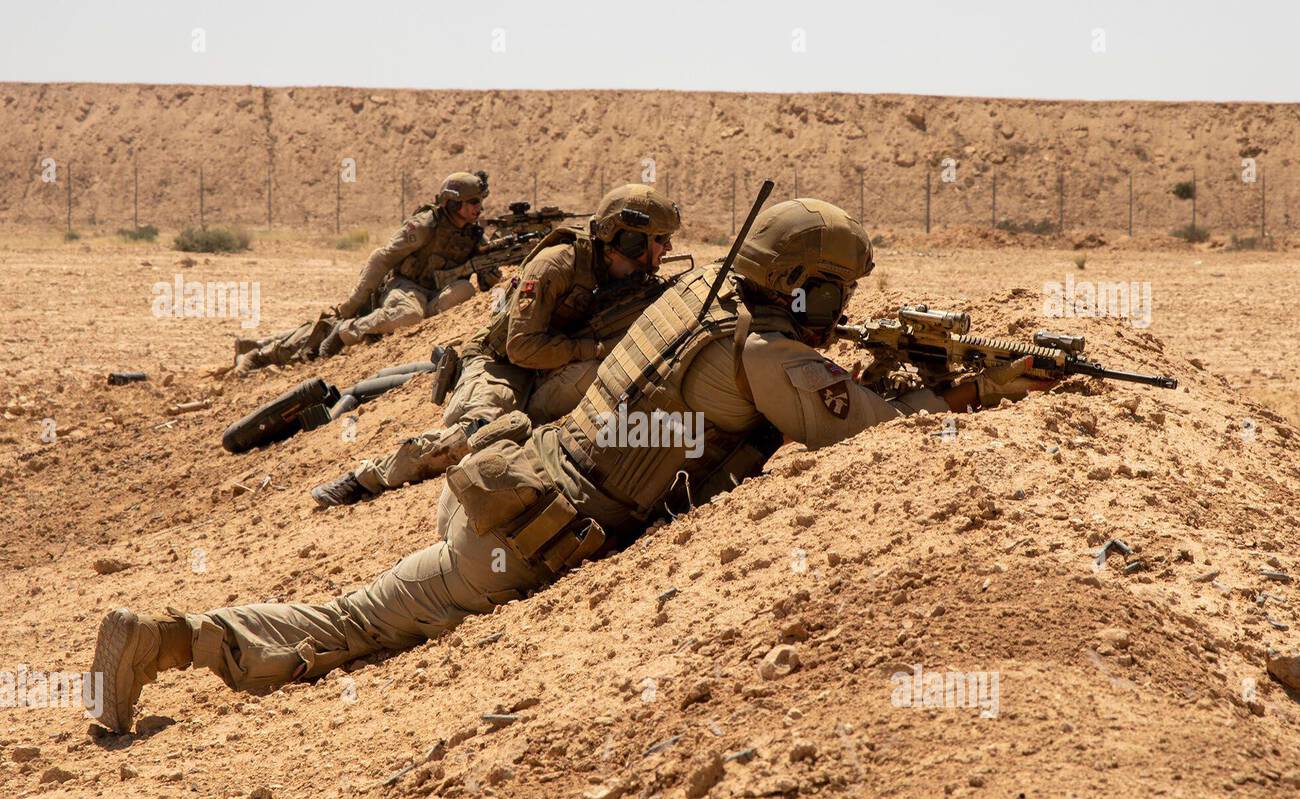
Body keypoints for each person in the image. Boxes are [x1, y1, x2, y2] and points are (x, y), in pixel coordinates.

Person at [90, 198, 1050, 733]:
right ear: (805, 285)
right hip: (526, 534)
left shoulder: (696, 308)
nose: (840, 308)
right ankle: (165, 640)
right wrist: (975, 392)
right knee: (350, 627)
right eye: (834, 291)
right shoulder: (767, 355)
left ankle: (171, 636)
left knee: (366, 605)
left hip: (523, 475)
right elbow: (868, 431)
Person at [309, 184, 681, 508]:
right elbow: (521, 348)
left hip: (548, 370)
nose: (667, 249)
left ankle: (525, 425)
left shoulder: (631, 278)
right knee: (477, 434)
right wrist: (593, 349)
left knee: (530, 426)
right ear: (627, 239)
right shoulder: (557, 266)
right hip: (501, 363)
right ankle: (367, 477)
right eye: (659, 240)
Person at [233, 171, 500, 373]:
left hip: (433, 298)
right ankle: (264, 352)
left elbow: (486, 282)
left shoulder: (473, 234)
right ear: (454, 204)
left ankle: (262, 343)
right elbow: (381, 258)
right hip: (405, 288)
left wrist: (488, 272)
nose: (479, 208)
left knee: (463, 290)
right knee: (332, 329)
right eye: (473, 202)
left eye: (480, 201)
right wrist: (352, 304)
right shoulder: (424, 226)